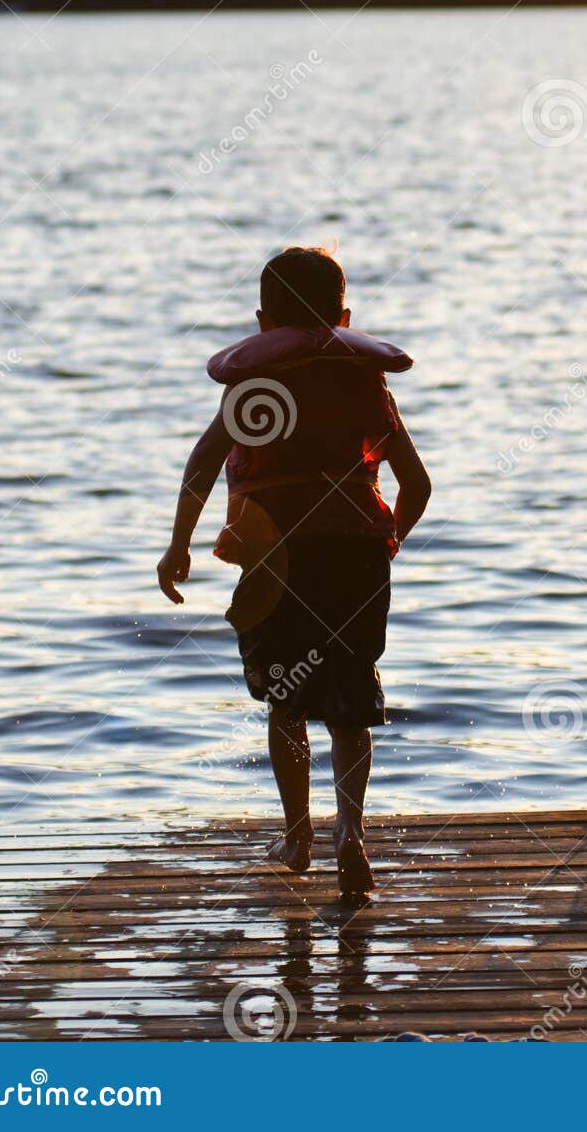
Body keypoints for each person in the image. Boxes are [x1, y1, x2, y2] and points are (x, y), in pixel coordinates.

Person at [156, 247, 431, 895]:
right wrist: (386, 540)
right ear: (343, 316)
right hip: (355, 559)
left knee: (286, 702)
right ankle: (352, 834)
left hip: (275, 562)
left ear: (261, 323)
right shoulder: (366, 384)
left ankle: (298, 832)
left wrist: (179, 547)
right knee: (350, 705)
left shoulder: (255, 389)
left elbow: (200, 468)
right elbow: (416, 486)